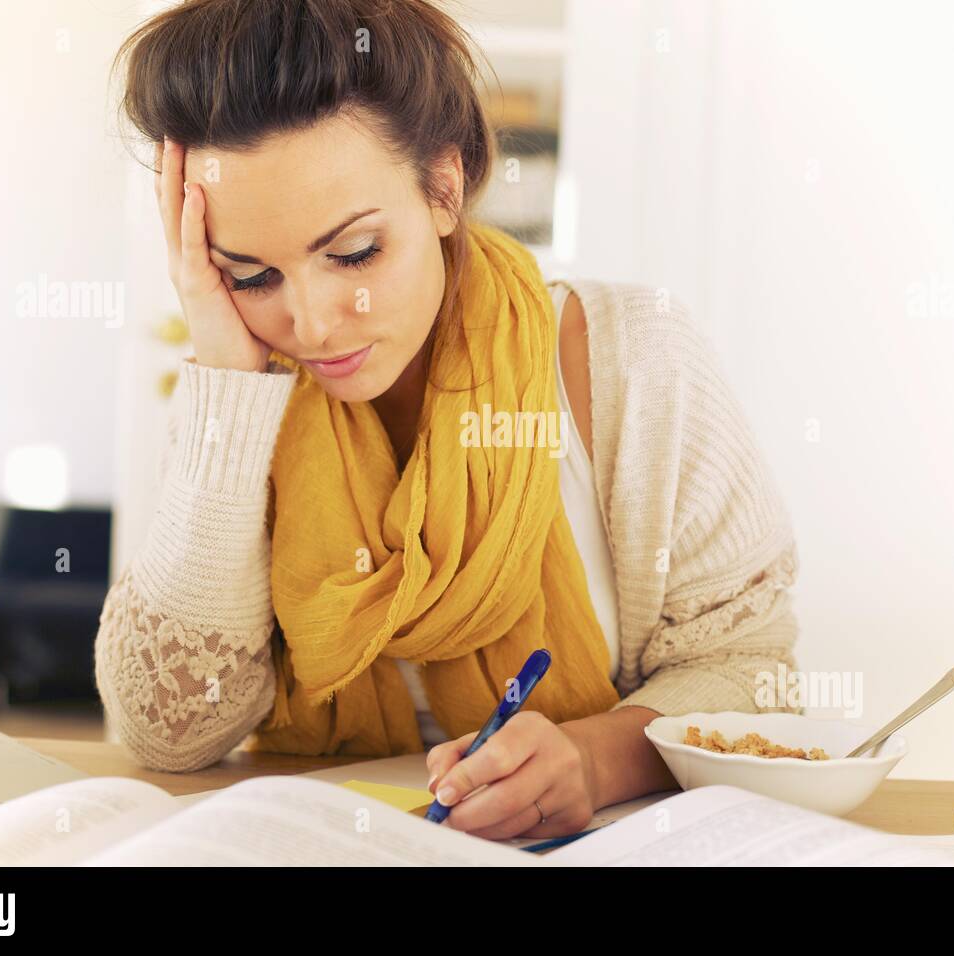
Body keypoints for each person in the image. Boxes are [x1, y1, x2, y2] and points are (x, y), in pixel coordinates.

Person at [95, 0, 801, 842]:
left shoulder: (632, 361)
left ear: (444, 183)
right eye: (251, 276)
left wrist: (596, 758)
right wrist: (226, 377)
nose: (314, 323)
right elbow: (166, 733)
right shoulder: (243, 390)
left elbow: (756, 674)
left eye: (353, 254)